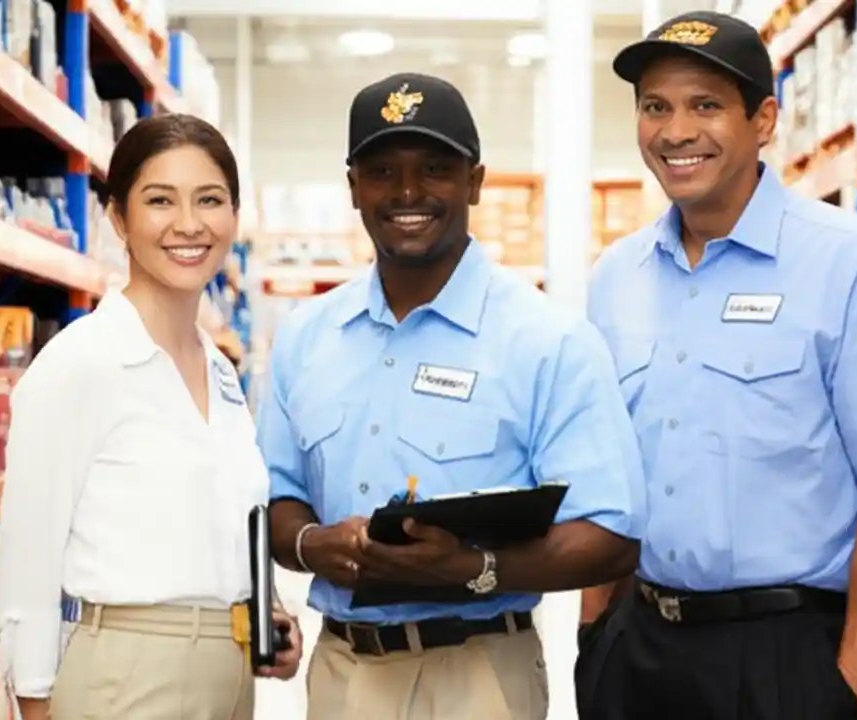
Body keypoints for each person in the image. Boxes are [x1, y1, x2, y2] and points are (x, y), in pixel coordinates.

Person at [576, 11, 857, 720]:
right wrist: (593, 637)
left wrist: (844, 690)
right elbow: (607, 473)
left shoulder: (853, 260)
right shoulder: (615, 277)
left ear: (763, 120)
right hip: (637, 651)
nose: (675, 132)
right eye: (655, 107)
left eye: (705, 105)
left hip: (782, 657)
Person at [256, 72, 645, 720]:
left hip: (480, 678)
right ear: (352, 187)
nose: (407, 192)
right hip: (343, 677)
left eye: (435, 168)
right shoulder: (306, 338)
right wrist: (311, 546)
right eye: (381, 171)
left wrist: (473, 566)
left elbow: (612, 537)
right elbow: (277, 498)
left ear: (475, 181)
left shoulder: (547, 340)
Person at [0, 114, 303, 720]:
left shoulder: (219, 373)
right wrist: (34, 704)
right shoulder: (81, 365)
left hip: (230, 673)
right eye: (160, 200)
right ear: (118, 219)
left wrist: (267, 609)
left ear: (233, 217)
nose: (188, 224)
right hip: (123, 676)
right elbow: (26, 567)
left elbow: (216, 526)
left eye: (209, 200)